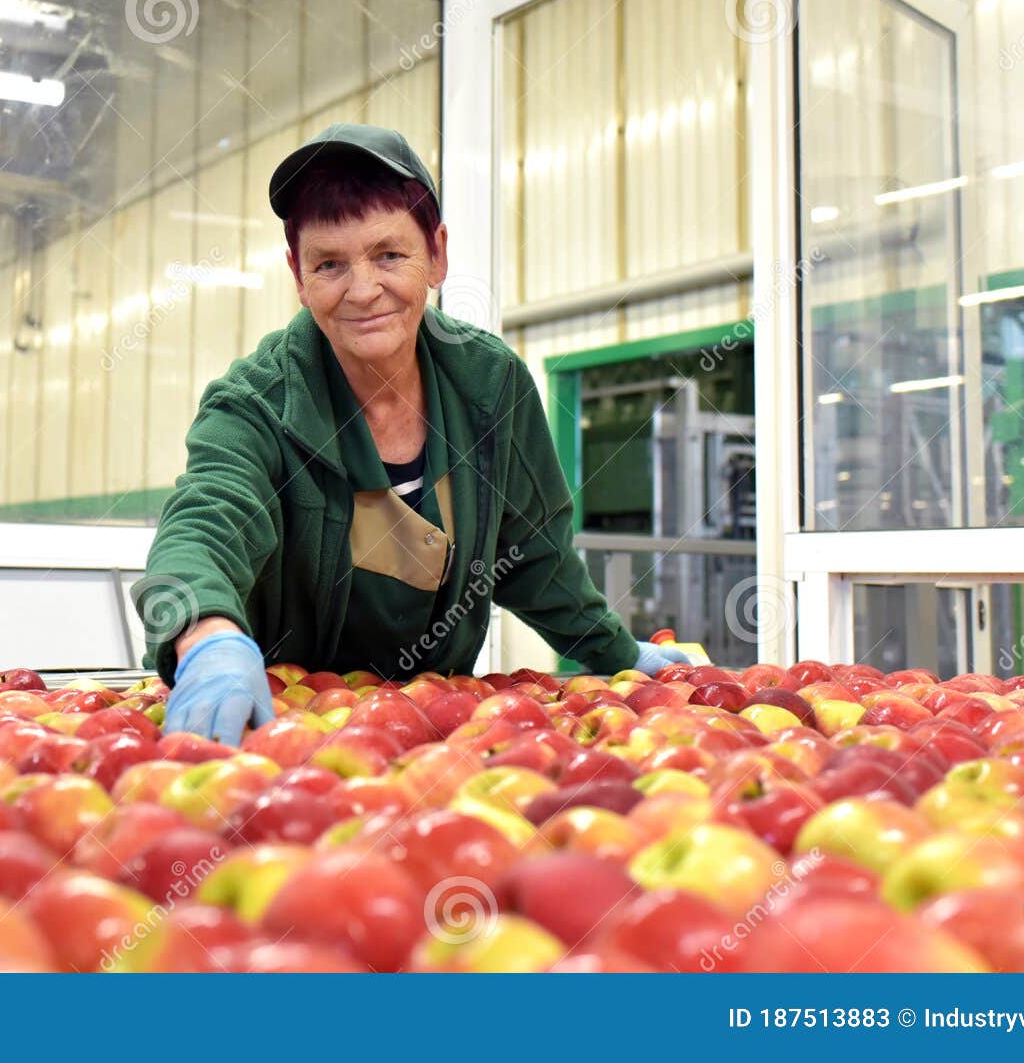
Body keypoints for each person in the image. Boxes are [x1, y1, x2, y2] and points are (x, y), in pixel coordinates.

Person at [133, 123, 689, 745]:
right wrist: (208, 635)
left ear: (437, 255)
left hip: (439, 735)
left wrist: (617, 652)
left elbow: (533, 555)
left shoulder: (491, 384)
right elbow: (205, 522)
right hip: (277, 733)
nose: (363, 289)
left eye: (389, 255)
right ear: (298, 274)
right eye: (329, 264)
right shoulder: (257, 403)